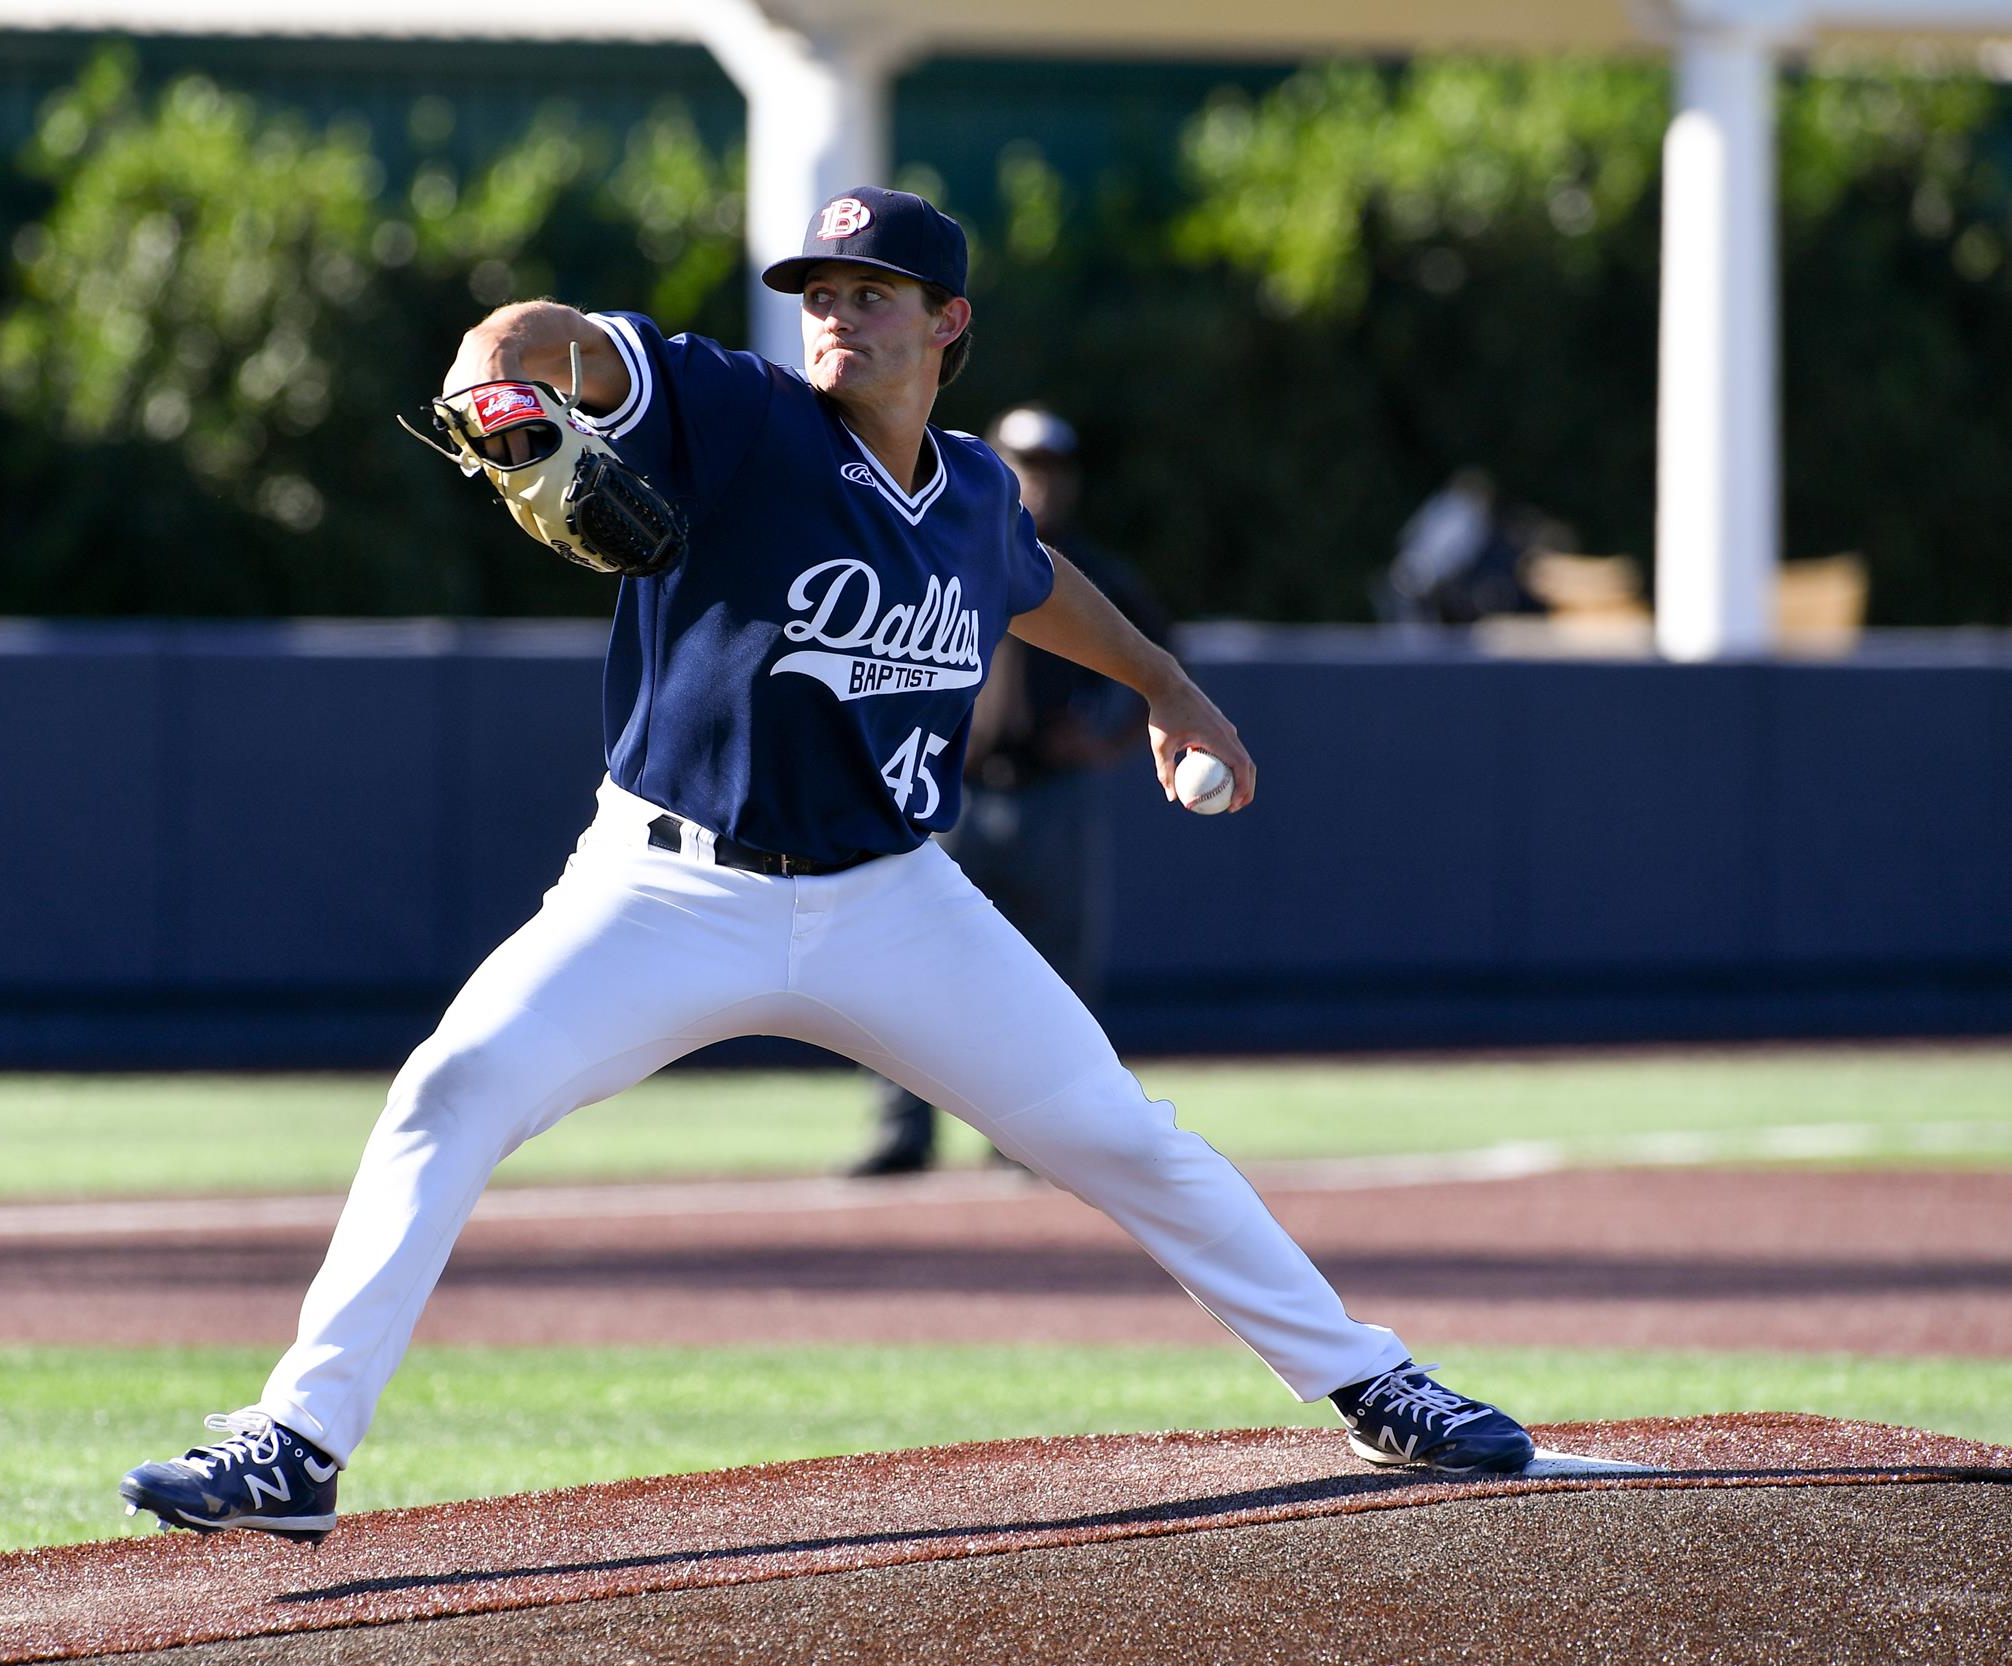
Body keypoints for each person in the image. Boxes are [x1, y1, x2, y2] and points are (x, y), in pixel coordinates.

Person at [119, 186, 1535, 1546]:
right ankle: (296, 1443)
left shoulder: (975, 488)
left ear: (948, 323)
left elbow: (1034, 580)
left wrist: (1168, 686)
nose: (837, 314)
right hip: (666, 882)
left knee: (1120, 1133)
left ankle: (1374, 1380)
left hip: (890, 900)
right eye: (821, 291)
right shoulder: (736, 415)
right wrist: (502, 387)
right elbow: (540, 340)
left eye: (874, 293)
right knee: (453, 1085)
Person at [850, 405, 1170, 1176]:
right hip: (947, 794)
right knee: (911, 968)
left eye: (1052, 467)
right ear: (994, 466)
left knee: (1054, 979)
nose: (1039, 481)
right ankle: (904, 1133)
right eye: (1024, 463)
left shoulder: (1094, 573)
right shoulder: (938, 547)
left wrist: (1107, 741)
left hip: (1052, 795)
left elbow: (1165, 670)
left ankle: (1035, 1139)